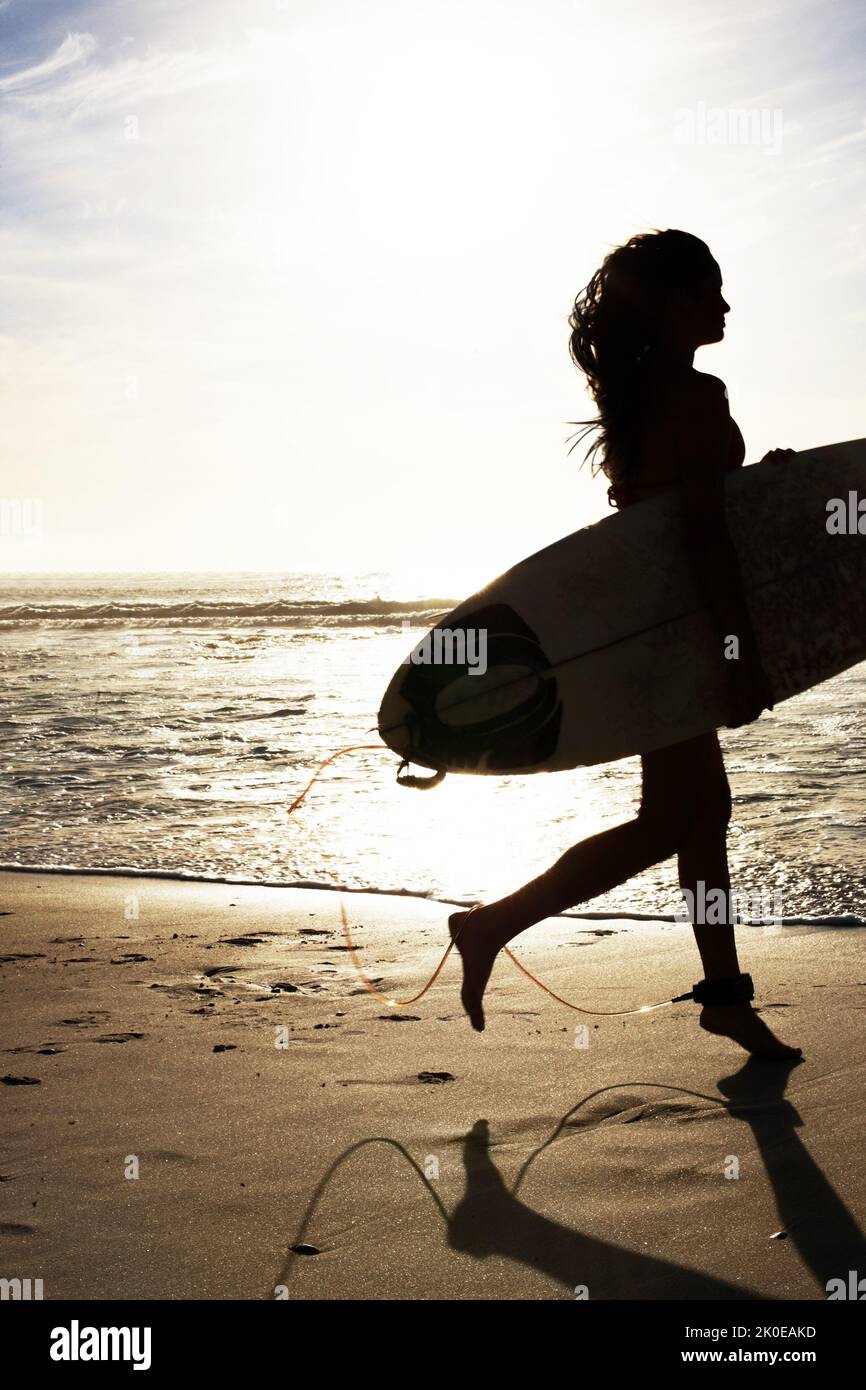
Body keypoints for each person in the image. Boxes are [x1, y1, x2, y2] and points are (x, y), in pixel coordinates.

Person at [449, 229, 801, 1060]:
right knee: (675, 821)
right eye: (708, 291)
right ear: (671, 305)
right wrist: (738, 649)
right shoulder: (695, 397)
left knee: (696, 816)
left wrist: (762, 488)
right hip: (682, 629)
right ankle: (493, 922)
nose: (723, 306)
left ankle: (724, 995)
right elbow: (704, 536)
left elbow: (673, 511)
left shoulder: (640, 397)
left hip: (640, 624)